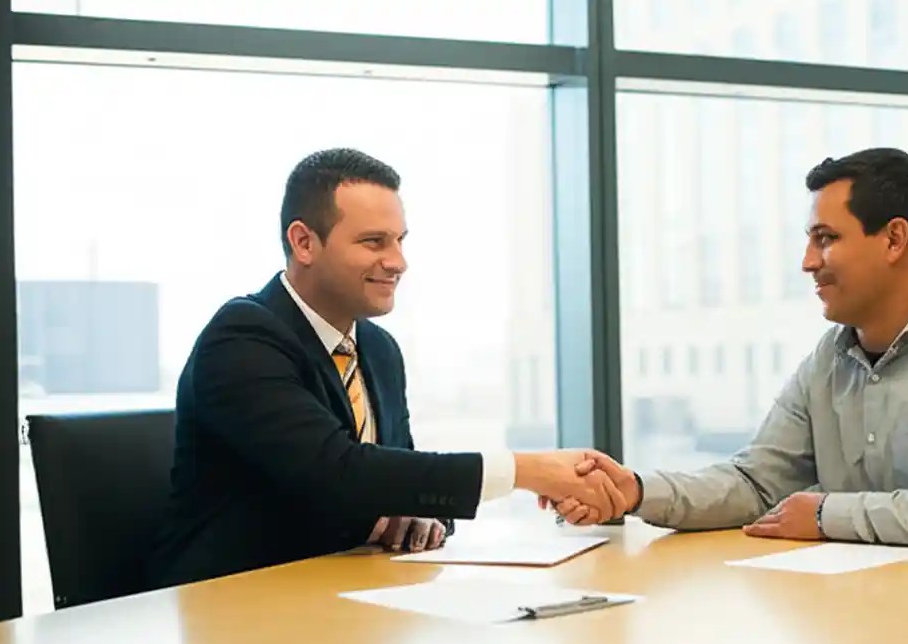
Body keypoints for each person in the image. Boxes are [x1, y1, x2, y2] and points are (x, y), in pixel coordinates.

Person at [146, 148, 623, 590]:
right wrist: (529, 471)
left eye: (399, 241)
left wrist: (421, 516)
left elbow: (399, 477)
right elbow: (339, 474)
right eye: (374, 242)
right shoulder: (242, 339)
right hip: (233, 606)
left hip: (341, 597)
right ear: (303, 242)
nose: (398, 262)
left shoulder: (377, 349)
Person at [553, 147, 908, 549]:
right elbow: (756, 485)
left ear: (894, 239)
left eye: (826, 238)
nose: (807, 262)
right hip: (868, 619)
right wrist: (637, 491)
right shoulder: (829, 359)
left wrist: (824, 513)